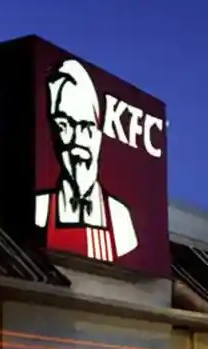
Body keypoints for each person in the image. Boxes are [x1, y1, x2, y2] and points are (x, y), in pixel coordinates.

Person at [33, 59, 139, 262]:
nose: (76, 139)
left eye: (86, 126)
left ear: (99, 134)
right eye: (64, 125)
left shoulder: (120, 217)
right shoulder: (40, 209)